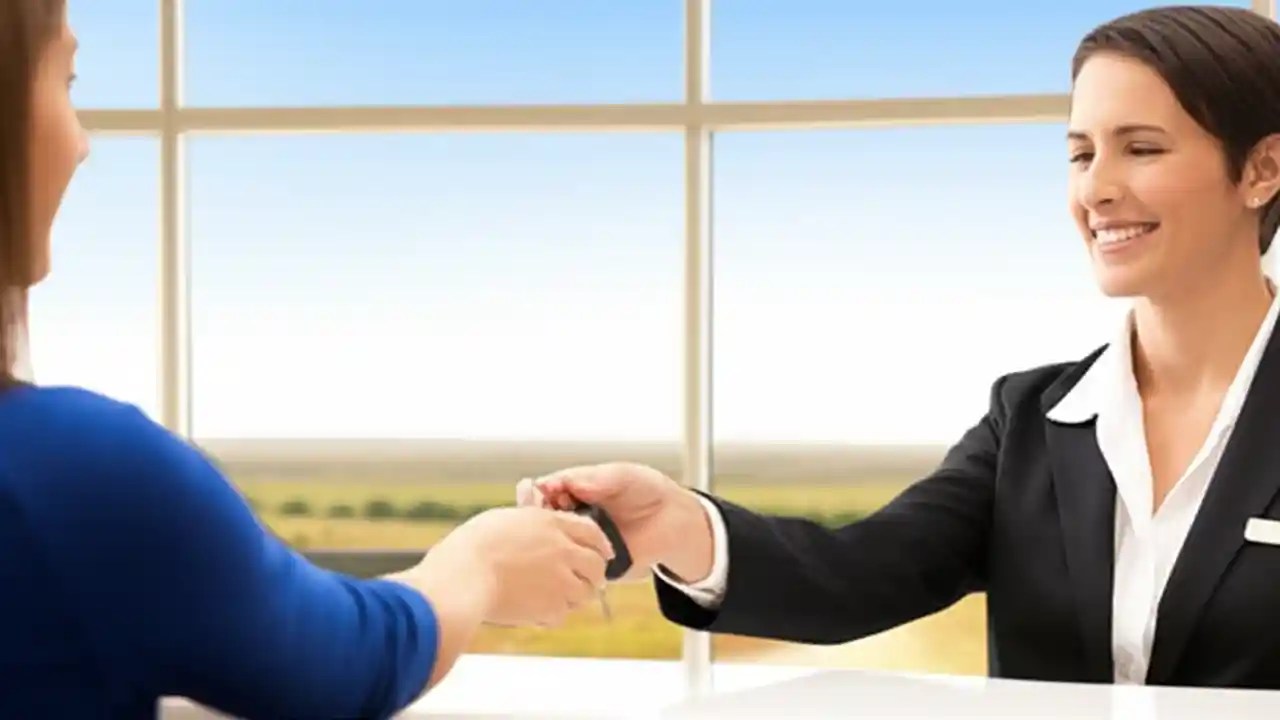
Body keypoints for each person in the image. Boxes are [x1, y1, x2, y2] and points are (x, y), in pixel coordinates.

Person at [521, 5, 1280, 690]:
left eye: (1141, 149)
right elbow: (853, 579)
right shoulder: (1029, 420)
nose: (1097, 189)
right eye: (1081, 155)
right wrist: (671, 520)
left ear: (1261, 170)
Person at [0, 2, 616, 718]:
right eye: (66, 81)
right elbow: (344, 661)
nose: (80, 144)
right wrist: (479, 562)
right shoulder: (74, 472)